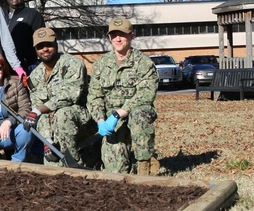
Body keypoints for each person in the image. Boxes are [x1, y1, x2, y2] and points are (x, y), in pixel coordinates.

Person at [86, 17, 160, 175]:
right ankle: (127, 160)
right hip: (110, 120)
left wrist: (119, 113)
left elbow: (146, 94)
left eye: (123, 34)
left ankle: (144, 165)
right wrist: (101, 120)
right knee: (116, 171)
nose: (118, 38)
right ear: (109, 37)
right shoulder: (100, 64)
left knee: (140, 115)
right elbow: (94, 96)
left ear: (132, 35)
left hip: (135, 111)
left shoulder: (144, 63)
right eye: (114, 35)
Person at [24, 27, 96, 167]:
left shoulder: (73, 64)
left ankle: (75, 164)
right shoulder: (35, 76)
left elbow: (70, 96)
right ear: (35, 50)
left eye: (48, 45)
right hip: (53, 126)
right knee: (52, 166)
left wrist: (40, 110)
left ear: (56, 43)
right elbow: (38, 109)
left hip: (81, 118)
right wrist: (47, 140)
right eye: (40, 47)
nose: (45, 49)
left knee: (63, 114)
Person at [4, 0, 45, 73]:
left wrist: (34, 62)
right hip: (4, 66)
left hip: (26, 66)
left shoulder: (33, 14)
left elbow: (41, 40)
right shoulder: (2, 15)